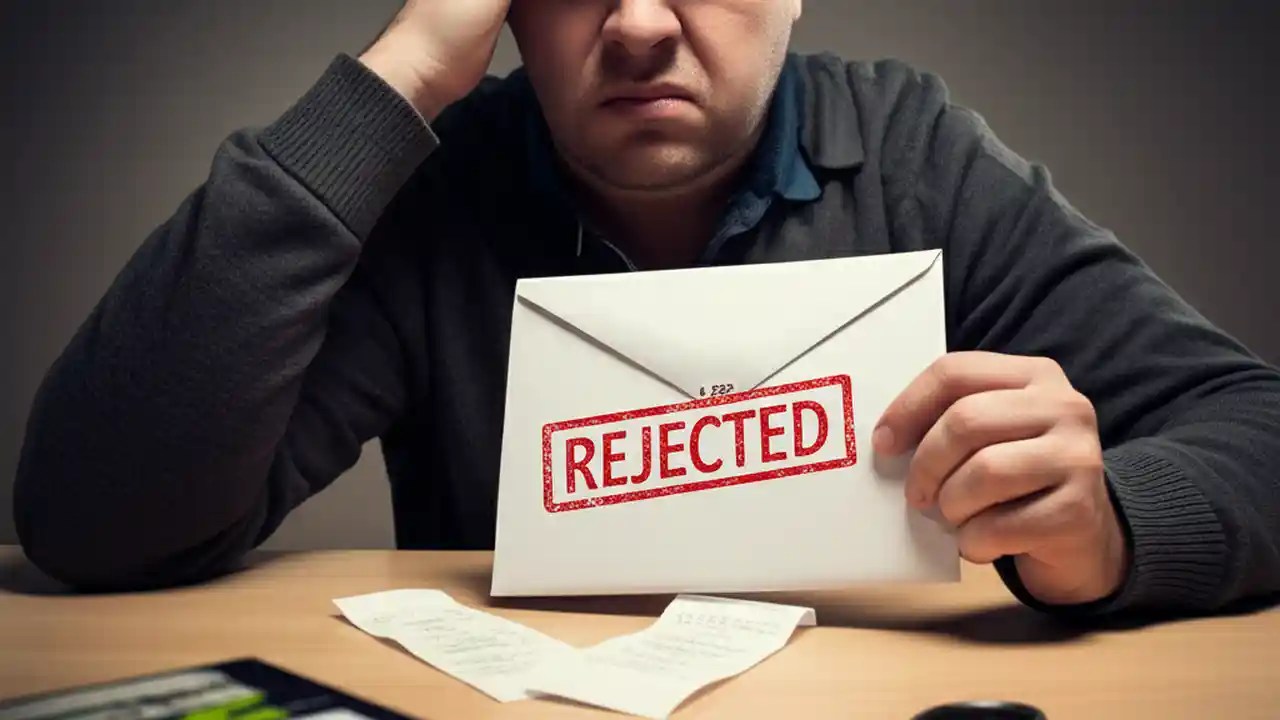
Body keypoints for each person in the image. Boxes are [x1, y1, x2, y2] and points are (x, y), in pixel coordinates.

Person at [13, 0, 1280, 617]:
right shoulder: (444, 192)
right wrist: (396, 77)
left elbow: (1255, 428)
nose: (633, 23)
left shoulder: (910, 153)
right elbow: (95, 523)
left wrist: (1110, 527)